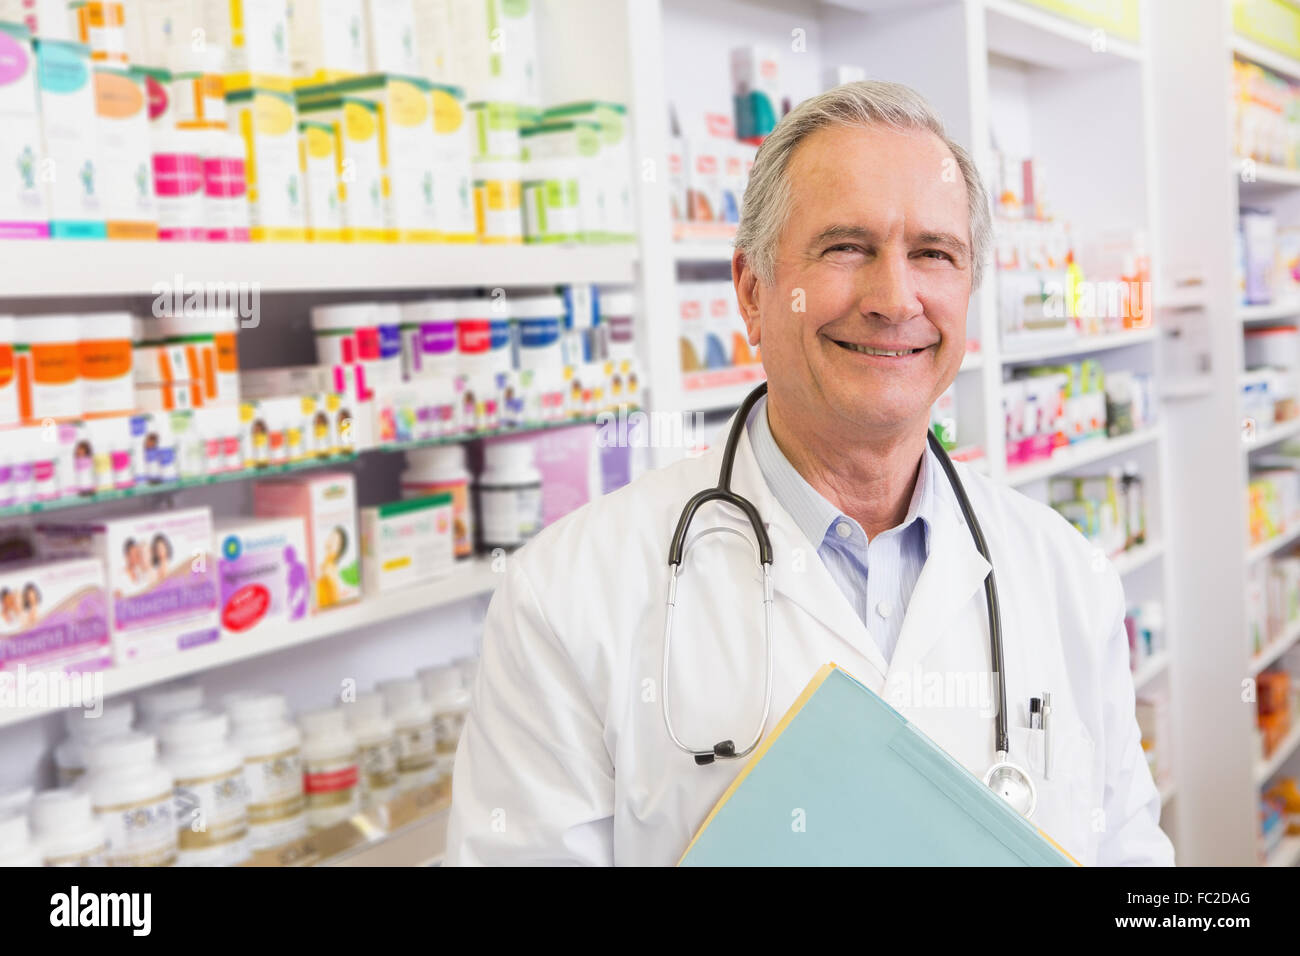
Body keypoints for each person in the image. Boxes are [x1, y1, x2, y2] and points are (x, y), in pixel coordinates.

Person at [445, 81, 1174, 867]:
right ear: (753, 293)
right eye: (845, 248)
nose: (895, 299)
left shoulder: (1064, 573)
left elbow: (1131, 855)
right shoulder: (569, 595)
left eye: (933, 253)